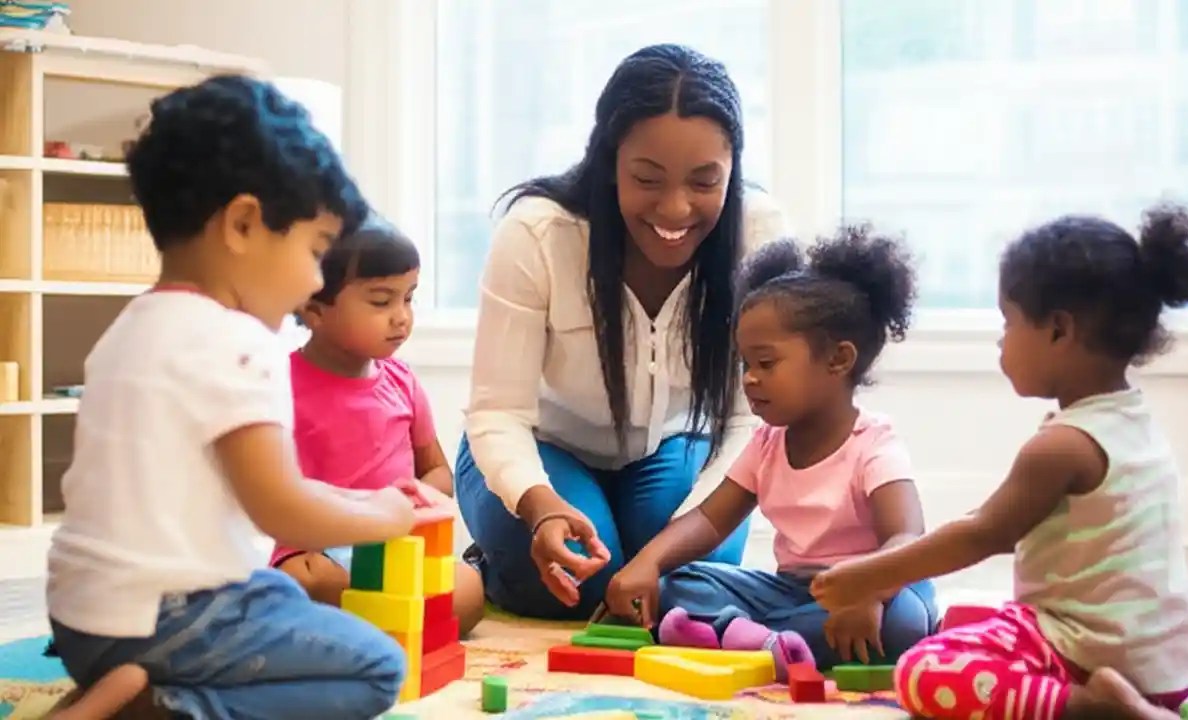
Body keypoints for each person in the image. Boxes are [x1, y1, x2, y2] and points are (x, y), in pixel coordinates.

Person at [46, 75, 417, 720]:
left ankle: (119, 691)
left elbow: (263, 490)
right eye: (314, 252)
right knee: (377, 665)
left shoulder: (130, 328)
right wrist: (386, 518)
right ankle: (174, 709)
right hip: (167, 619)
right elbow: (282, 510)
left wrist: (361, 498)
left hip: (83, 621)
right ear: (244, 224)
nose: (312, 281)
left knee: (279, 596)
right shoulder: (238, 344)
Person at [810, 204, 1188, 720]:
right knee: (970, 620)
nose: (1002, 341)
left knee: (922, 669)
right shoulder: (1134, 422)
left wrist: (865, 576)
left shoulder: (1062, 446)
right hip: (1166, 672)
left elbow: (981, 534)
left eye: (1009, 322)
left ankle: (1089, 706)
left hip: (1089, 655)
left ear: (1059, 331)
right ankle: (1121, 702)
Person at [456, 43, 790, 619]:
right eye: (647, 178)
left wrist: (662, 556)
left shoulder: (759, 234)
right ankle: (494, 559)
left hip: (672, 446)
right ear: (609, 161)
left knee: (685, 585)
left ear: (733, 167)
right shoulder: (539, 233)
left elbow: (750, 424)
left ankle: (631, 549)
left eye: (704, 181)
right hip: (542, 451)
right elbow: (498, 413)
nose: (676, 208)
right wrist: (541, 508)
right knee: (581, 585)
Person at [604, 228, 937, 676]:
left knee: (904, 625)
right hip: (794, 592)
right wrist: (646, 563)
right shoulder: (766, 443)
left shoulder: (873, 444)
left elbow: (907, 538)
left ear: (838, 360)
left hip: (878, 587)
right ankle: (770, 640)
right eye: (745, 364)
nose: (748, 378)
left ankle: (742, 636)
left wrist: (869, 590)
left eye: (766, 363)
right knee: (678, 584)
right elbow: (708, 519)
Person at [272, 217, 485, 636]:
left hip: (393, 545)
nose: (401, 317)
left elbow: (437, 471)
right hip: (318, 549)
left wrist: (415, 499)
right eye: (381, 301)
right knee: (301, 581)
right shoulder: (278, 384)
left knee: (471, 588)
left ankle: (370, 624)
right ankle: (383, 623)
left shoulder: (401, 382)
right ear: (313, 309)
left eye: (409, 299)